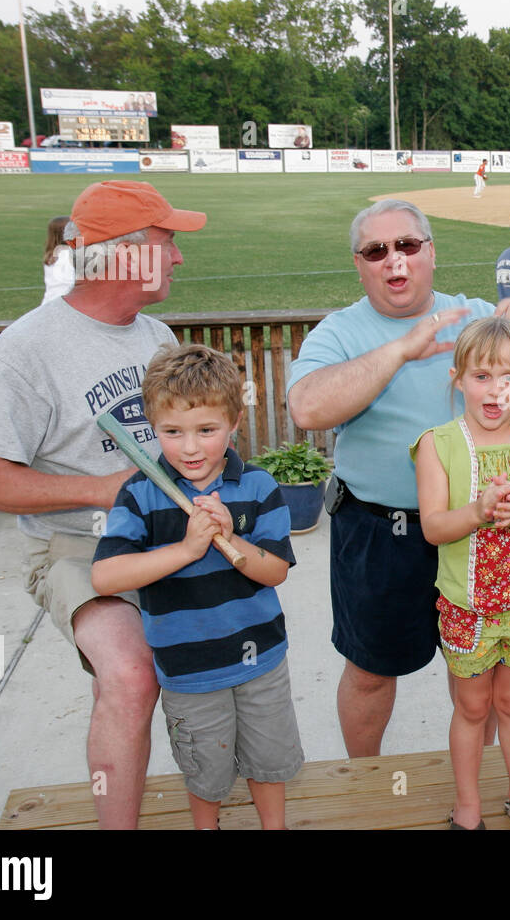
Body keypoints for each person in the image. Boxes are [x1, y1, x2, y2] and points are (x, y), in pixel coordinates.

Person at [286, 199, 510, 758]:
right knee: (371, 672)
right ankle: (368, 785)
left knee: (480, 672)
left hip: (482, 529)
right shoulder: (340, 332)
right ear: (359, 263)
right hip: (380, 532)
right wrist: (401, 349)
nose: (394, 260)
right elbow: (306, 408)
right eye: (376, 250)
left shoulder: (472, 316)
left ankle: (471, 785)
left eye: (407, 246)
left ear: (431, 253)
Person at [0, 180, 206, 828]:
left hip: (161, 533)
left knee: (236, 646)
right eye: (168, 240)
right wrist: (100, 487)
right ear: (125, 254)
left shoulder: (156, 334)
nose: (178, 257)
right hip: (76, 543)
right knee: (130, 672)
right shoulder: (25, 349)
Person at [92, 344, 301, 830]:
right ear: (151, 428)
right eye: (172, 432)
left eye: (206, 431)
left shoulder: (258, 487)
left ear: (233, 424)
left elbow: (275, 571)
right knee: (205, 772)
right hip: (188, 671)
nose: (190, 448)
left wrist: (231, 538)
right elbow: (106, 576)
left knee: (269, 759)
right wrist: (187, 550)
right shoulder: (140, 495)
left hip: (261, 659)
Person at [412, 317, 510, 830]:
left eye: (507, 377)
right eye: (481, 377)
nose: (494, 390)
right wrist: (477, 511)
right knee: (473, 708)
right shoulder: (437, 443)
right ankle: (468, 803)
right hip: (466, 605)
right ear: (457, 378)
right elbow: (432, 527)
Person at [41, 215, 75, 303]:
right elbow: (71, 283)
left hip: (49, 302)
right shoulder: (68, 255)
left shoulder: (51, 255)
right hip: (63, 305)